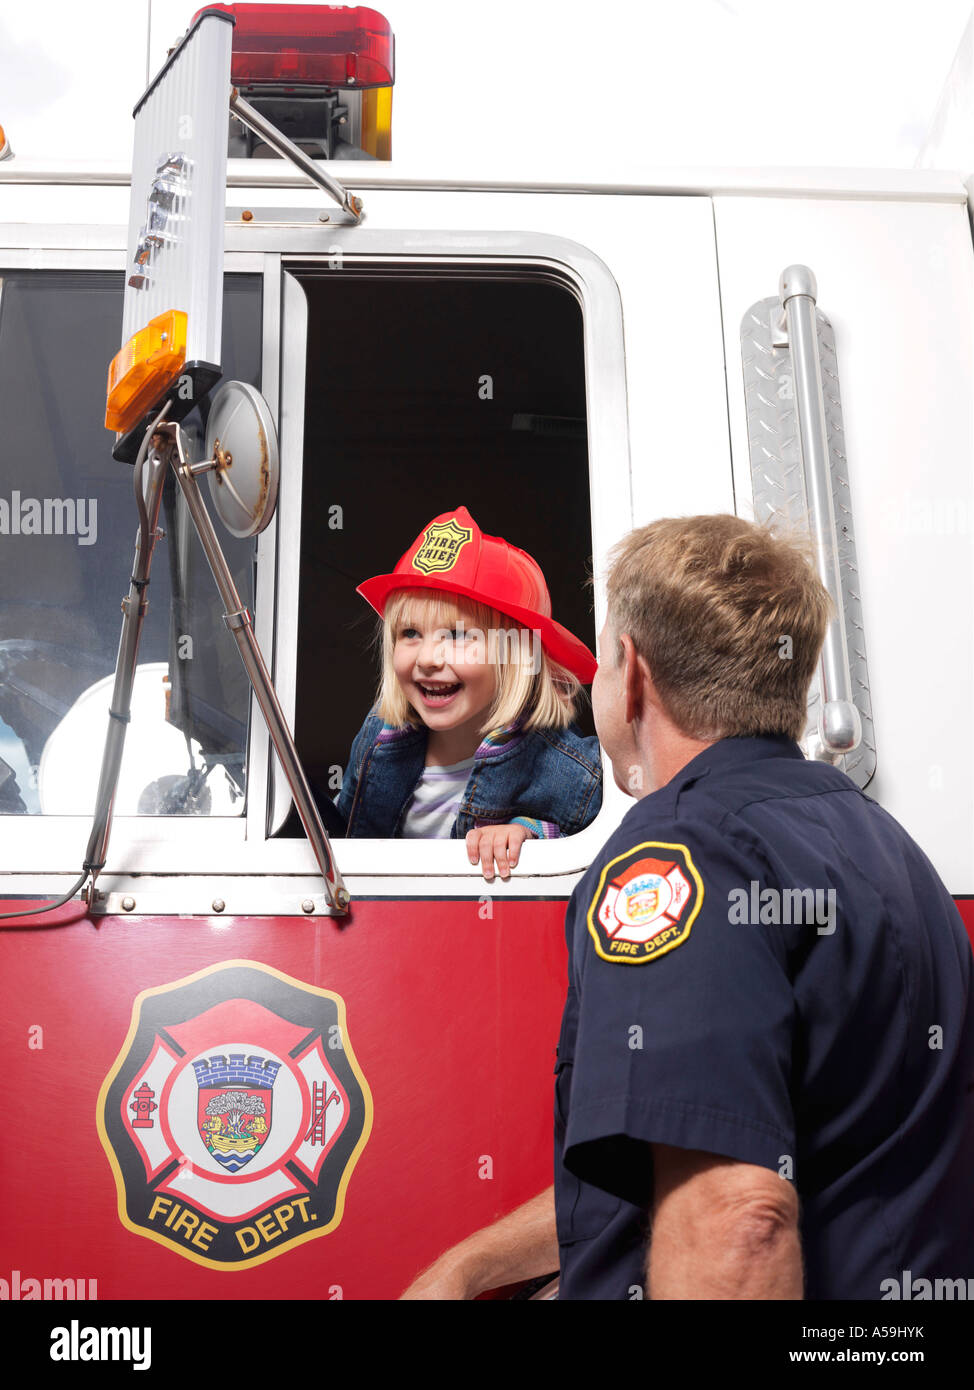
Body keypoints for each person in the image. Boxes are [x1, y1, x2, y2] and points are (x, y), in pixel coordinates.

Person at [401, 513, 974, 1299]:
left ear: (630, 672)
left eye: (602, 660)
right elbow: (690, 1150)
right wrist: (471, 1269)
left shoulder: (679, 853)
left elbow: (738, 1222)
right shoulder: (886, 845)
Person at [335, 506, 602, 879]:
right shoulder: (378, 736)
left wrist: (534, 834)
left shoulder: (568, 767)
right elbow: (343, 830)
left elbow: (622, 838)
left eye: (459, 636)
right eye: (410, 634)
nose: (428, 658)